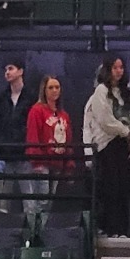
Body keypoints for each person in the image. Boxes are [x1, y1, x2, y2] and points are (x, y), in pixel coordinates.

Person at [86, 57, 130, 238]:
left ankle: (122, 230)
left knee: (124, 188)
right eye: (115, 67)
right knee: (110, 188)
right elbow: (104, 119)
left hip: (125, 145)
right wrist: (124, 130)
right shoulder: (101, 91)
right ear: (108, 69)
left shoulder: (128, 92)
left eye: (121, 67)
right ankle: (110, 229)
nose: (119, 71)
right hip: (107, 145)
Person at [24, 74, 76, 217]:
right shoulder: (37, 111)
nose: (54, 90)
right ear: (44, 90)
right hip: (41, 163)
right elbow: (33, 137)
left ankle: (42, 232)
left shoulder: (63, 115)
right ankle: (33, 232)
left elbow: (68, 140)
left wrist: (69, 164)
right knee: (39, 201)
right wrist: (37, 162)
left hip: (57, 164)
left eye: (57, 87)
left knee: (48, 203)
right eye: (51, 87)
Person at [0, 59, 37, 158]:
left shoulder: (32, 98)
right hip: (3, 154)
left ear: (21, 71)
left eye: (11, 69)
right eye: (6, 70)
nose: (7, 72)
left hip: (26, 154)